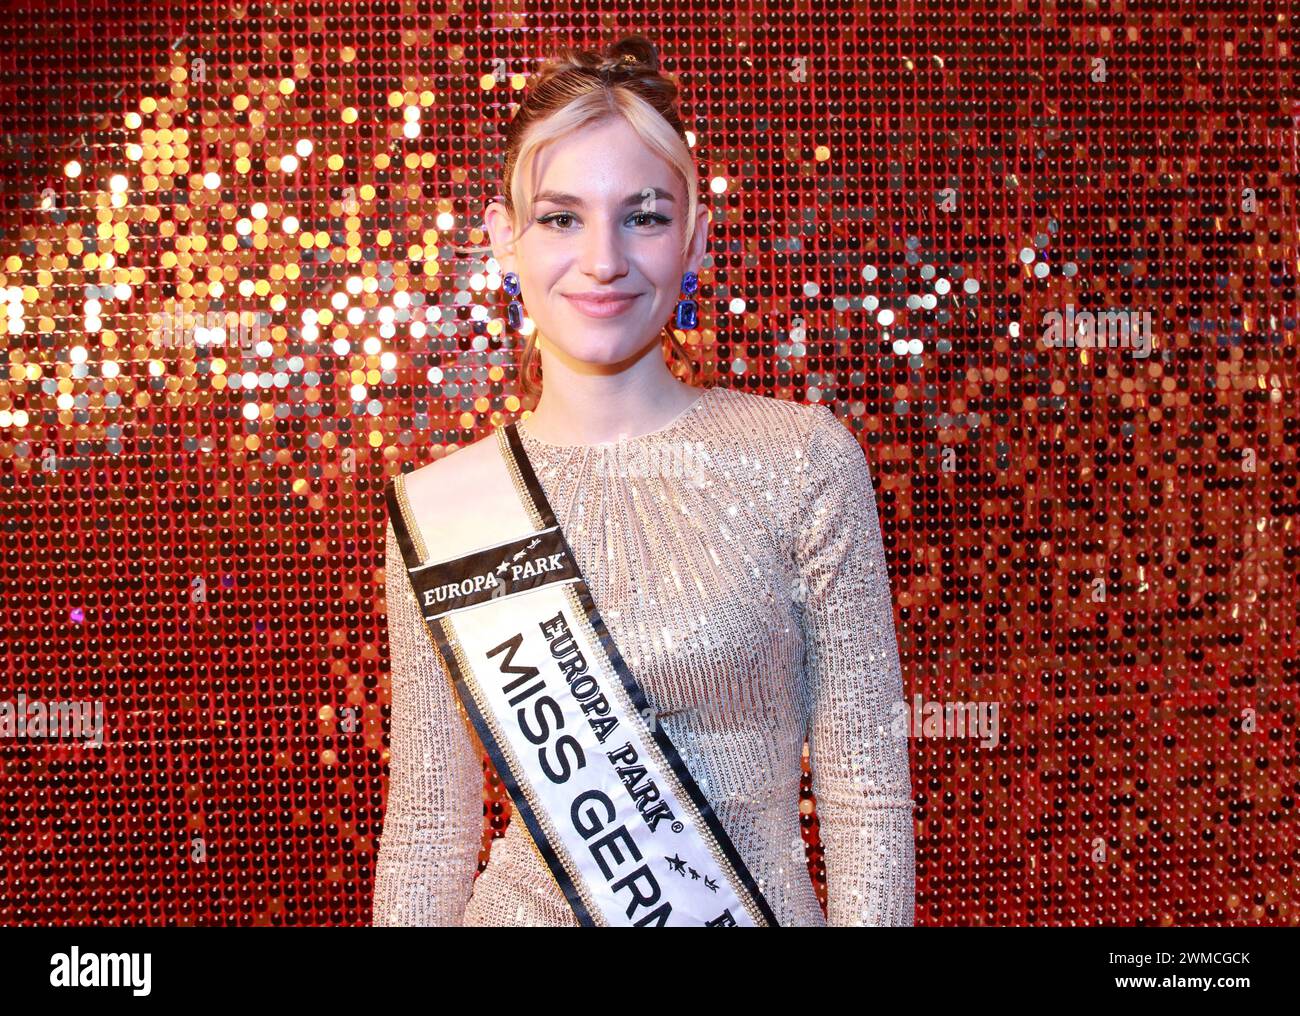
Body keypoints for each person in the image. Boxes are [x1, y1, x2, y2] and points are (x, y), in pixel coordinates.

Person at [371, 34, 915, 927]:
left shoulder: (802, 461)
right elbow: (431, 820)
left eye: (645, 215)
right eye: (559, 217)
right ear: (504, 241)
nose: (602, 259)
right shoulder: (441, 511)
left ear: (695, 240)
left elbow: (866, 792)